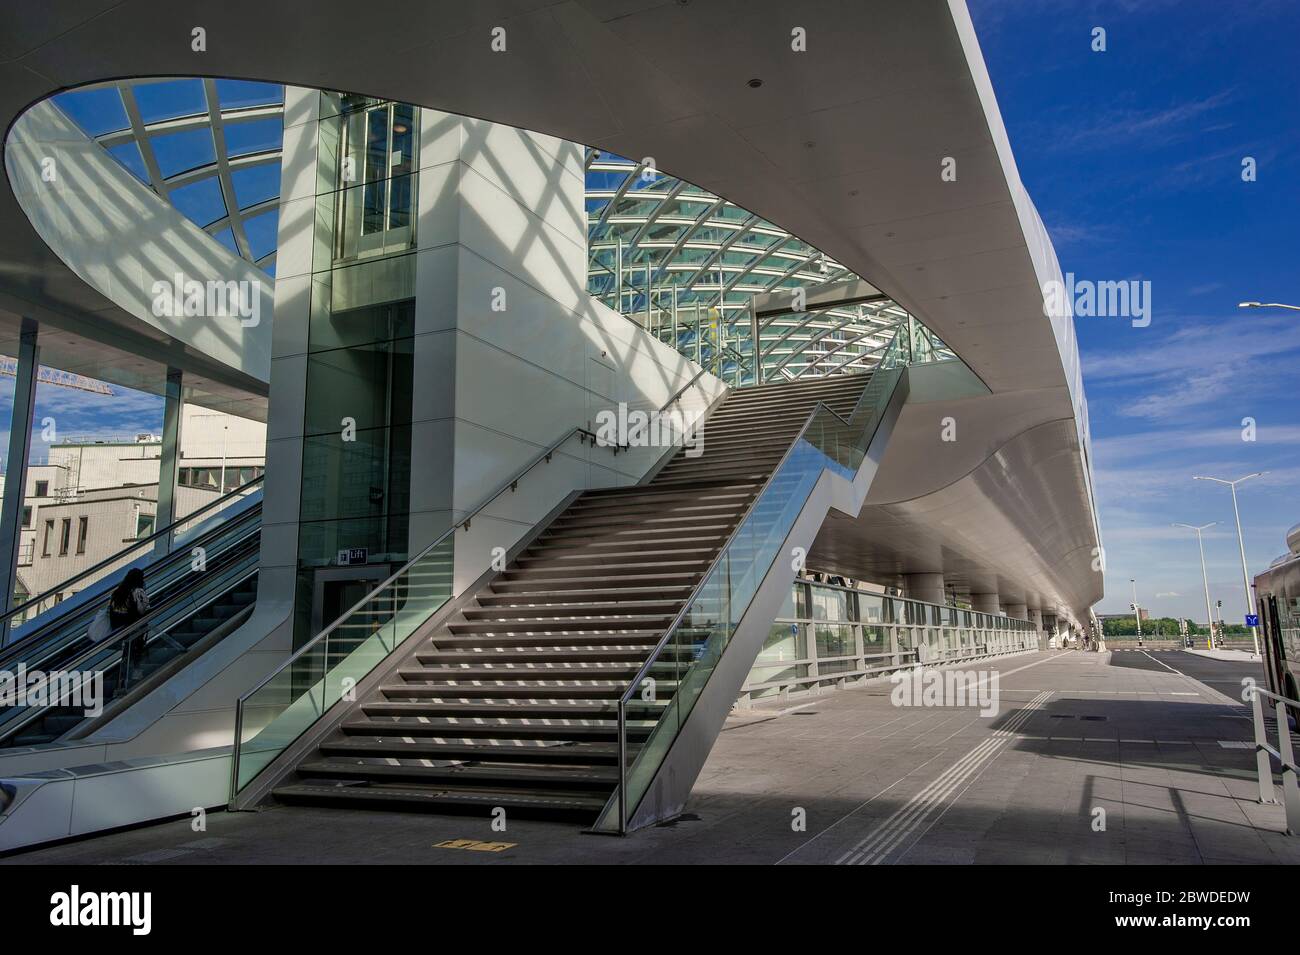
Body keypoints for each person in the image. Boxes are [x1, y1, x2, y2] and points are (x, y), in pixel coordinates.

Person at [108, 568, 150, 682]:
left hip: (119, 628)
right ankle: (135, 674)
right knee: (136, 651)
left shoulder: (118, 592)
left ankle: (122, 677)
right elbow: (142, 609)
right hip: (134, 627)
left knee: (127, 652)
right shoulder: (137, 591)